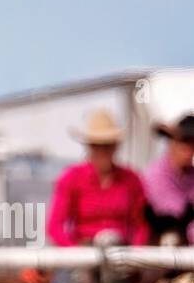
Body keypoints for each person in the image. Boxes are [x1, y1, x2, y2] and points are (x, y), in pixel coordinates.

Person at [46, 108, 148, 257]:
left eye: (107, 145)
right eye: (97, 145)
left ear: (115, 146)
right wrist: (75, 253)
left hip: (122, 253)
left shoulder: (131, 179)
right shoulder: (72, 177)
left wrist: (134, 255)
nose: (102, 151)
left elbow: (141, 224)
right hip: (83, 251)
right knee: (65, 279)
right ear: (89, 146)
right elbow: (54, 227)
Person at [142, 113, 194, 243]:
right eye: (184, 142)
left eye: (193, 143)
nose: (189, 150)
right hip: (160, 253)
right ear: (172, 143)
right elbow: (175, 214)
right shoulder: (155, 176)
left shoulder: (190, 176)